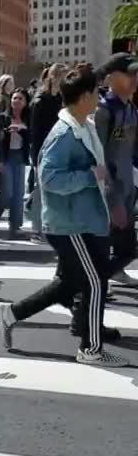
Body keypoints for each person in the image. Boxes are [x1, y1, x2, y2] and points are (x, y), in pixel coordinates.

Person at [0, 67, 128, 368]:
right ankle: (91, 349)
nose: (99, 98)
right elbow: (49, 179)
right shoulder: (64, 134)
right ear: (83, 97)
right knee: (95, 282)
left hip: (85, 220)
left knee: (69, 284)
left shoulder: (84, 126)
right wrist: (89, 176)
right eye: (95, 93)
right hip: (68, 224)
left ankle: (12, 313)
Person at [95, 53, 138, 288]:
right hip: (110, 189)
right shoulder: (103, 111)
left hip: (128, 186)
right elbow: (97, 155)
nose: (135, 78)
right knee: (102, 239)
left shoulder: (131, 109)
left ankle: (111, 273)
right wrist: (111, 196)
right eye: (130, 74)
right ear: (111, 78)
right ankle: (90, 281)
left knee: (127, 246)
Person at [28, 63, 66, 239]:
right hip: (43, 150)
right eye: (61, 77)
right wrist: (36, 158)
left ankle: (49, 226)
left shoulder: (60, 99)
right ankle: (36, 228)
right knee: (40, 190)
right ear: (53, 77)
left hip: (58, 149)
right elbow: (35, 133)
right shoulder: (40, 101)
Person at [0, 88, 30, 238]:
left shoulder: (28, 118)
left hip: (20, 157)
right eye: (14, 98)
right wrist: (7, 132)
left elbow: (31, 136)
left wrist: (22, 131)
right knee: (7, 192)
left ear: (25, 102)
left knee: (18, 194)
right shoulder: (2, 117)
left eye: (20, 98)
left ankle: (15, 227)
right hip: (5, 157)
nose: (17, 101)